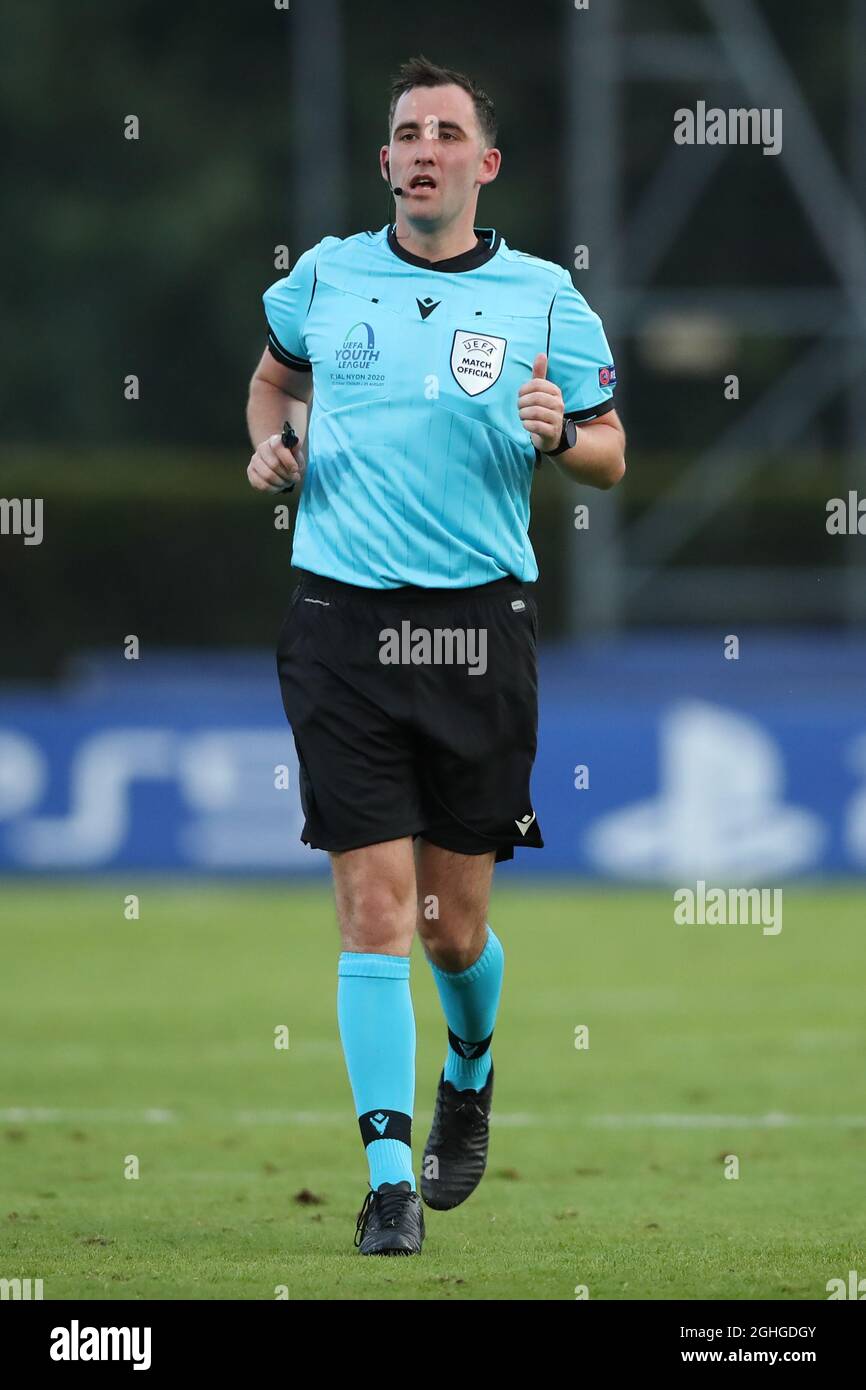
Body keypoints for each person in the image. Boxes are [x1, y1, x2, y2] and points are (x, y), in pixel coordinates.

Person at [246, 54, 626, 1256]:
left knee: (446, 927)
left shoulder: (545, 299)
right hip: (336, 624)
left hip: (476, 632)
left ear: (483, 162)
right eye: (405, 132)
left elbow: (613, 452)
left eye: (445, 132)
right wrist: (271, 449)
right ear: (385, 163)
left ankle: (469, 1061)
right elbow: (271, 385)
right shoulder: (323, 275)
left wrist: (564, 432)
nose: (423, 149)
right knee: (370, 910)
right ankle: (384, 1180)